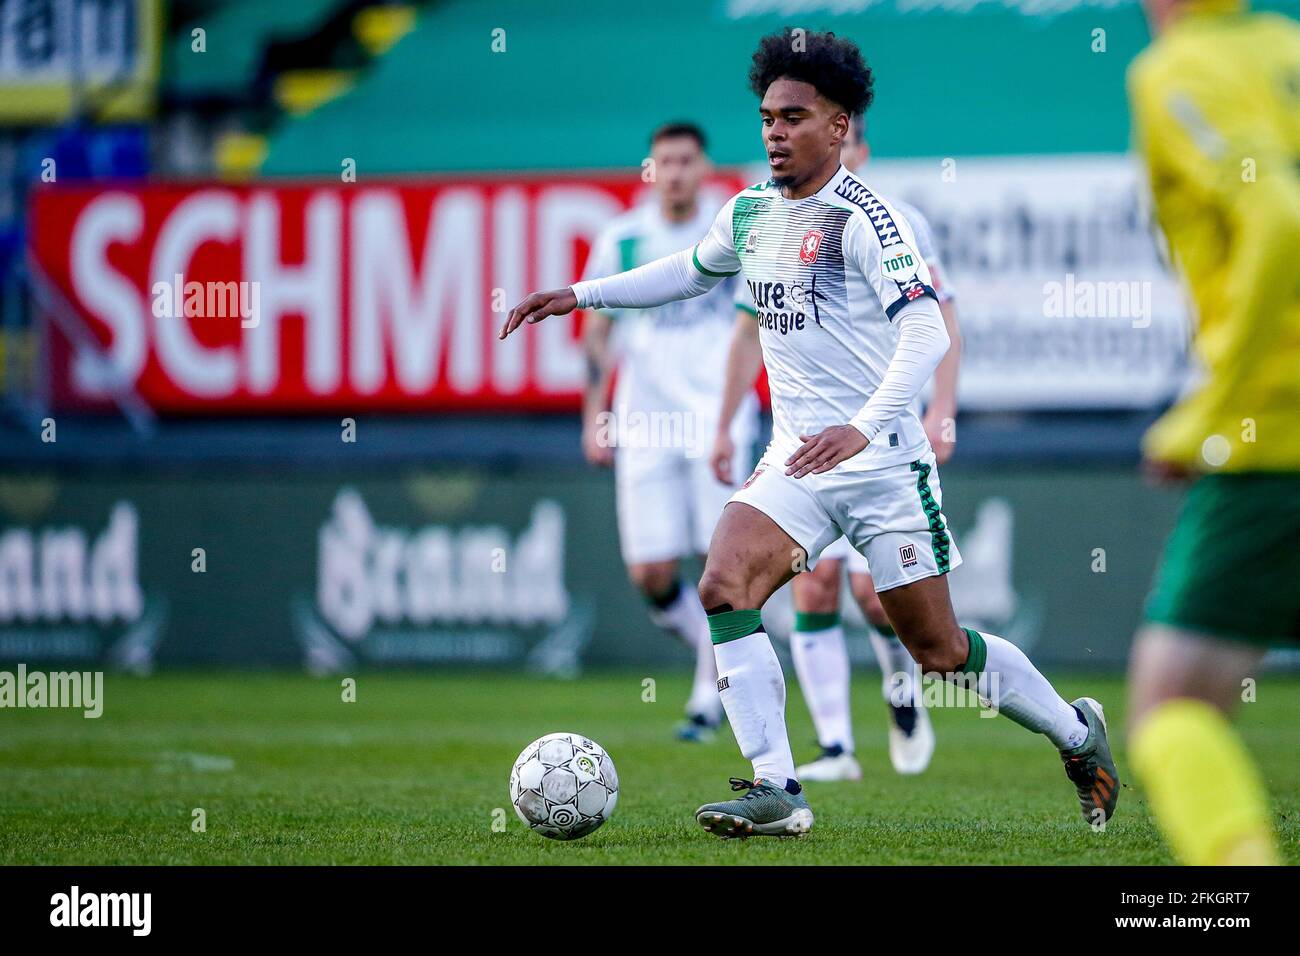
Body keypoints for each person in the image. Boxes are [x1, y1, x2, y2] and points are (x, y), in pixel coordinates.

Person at [501, 28, 1118, 839]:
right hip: (797, 463)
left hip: (884, 466)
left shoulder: (868, 219)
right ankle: (778, 788)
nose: (775, 133)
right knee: (724, 584)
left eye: (794, 118)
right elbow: (688, 272)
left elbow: (927, 331)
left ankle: (1077, 732)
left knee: (937, 651)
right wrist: (581, 294)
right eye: (767, 118)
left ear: (839, 125)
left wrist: (863, 428)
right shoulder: (751, 211)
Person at [712, 111, 961, 780]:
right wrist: (724, 422)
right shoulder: (769, 217)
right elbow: (746, 327)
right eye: (771, 122)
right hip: (803, 445)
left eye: (842, 140)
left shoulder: (891, 221)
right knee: (814, 585)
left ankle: (903, 689)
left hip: (877, 447)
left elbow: (939, 321)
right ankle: (834, 750)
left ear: (857, 145)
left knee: (876, 598)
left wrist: (943, 407)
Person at [1126, 0, 1300, 865]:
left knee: (1173, 709)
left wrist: (1211, 412)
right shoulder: (1286, 46)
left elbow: (1279, 220)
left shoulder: (1176, 70)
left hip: (1277, 437)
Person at [580, 122, 759, 741]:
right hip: (645, 421)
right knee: (651, 572)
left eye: (686, 160)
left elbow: (753, 321)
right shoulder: (624, 238)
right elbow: (598, 331)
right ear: (650, 170)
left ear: (704, 167)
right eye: (665, 162)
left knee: (719, 564)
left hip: (715, 417)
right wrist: (595, 415)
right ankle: (726, 657)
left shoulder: (733, 227)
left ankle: (709, 697)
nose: (676, 172)